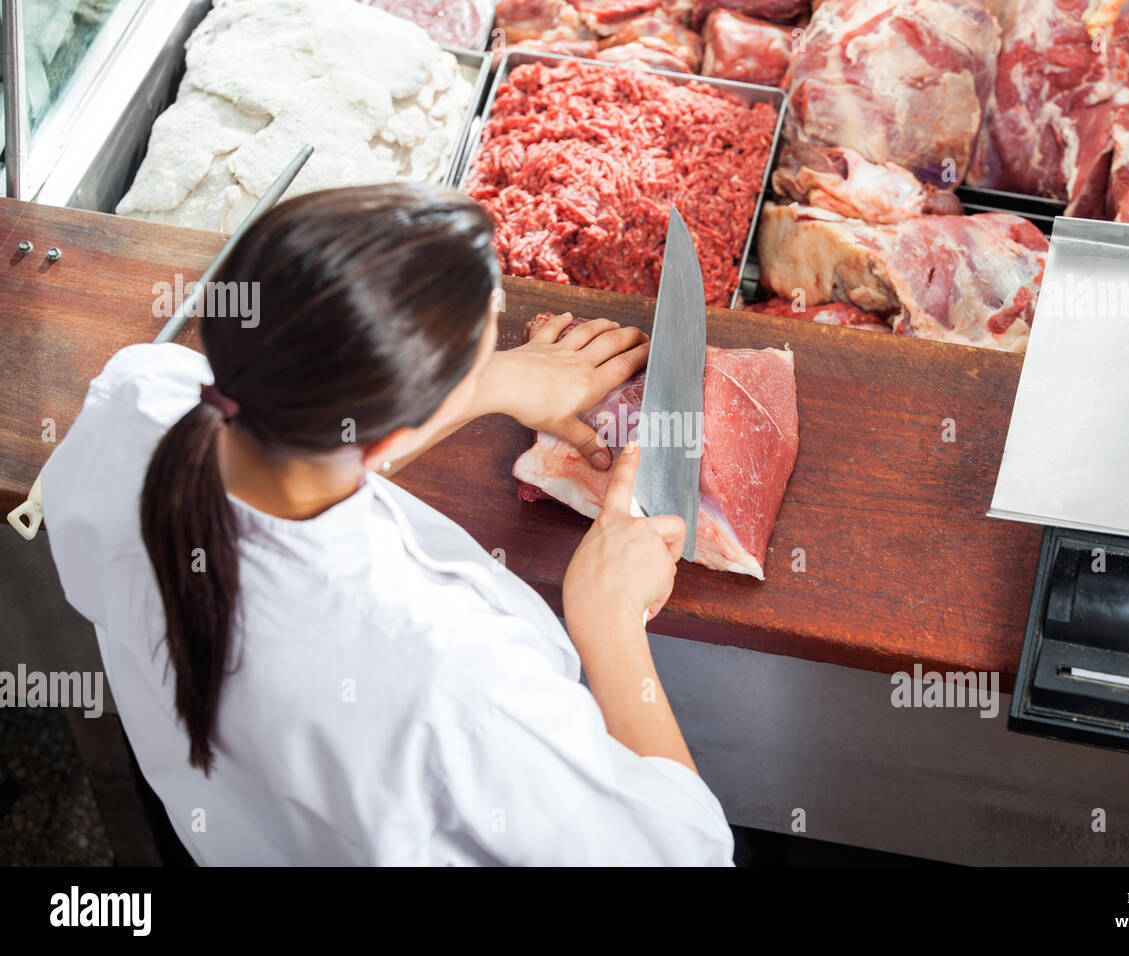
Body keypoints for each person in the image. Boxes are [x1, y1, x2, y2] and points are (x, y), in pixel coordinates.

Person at [42, 184, 733, 866]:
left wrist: (486, 383)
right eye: (471, 361)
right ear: (388, 427)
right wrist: (607, 618)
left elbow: (291, 441)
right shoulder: (457, 680)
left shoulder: (139, 393)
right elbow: (684, 855)